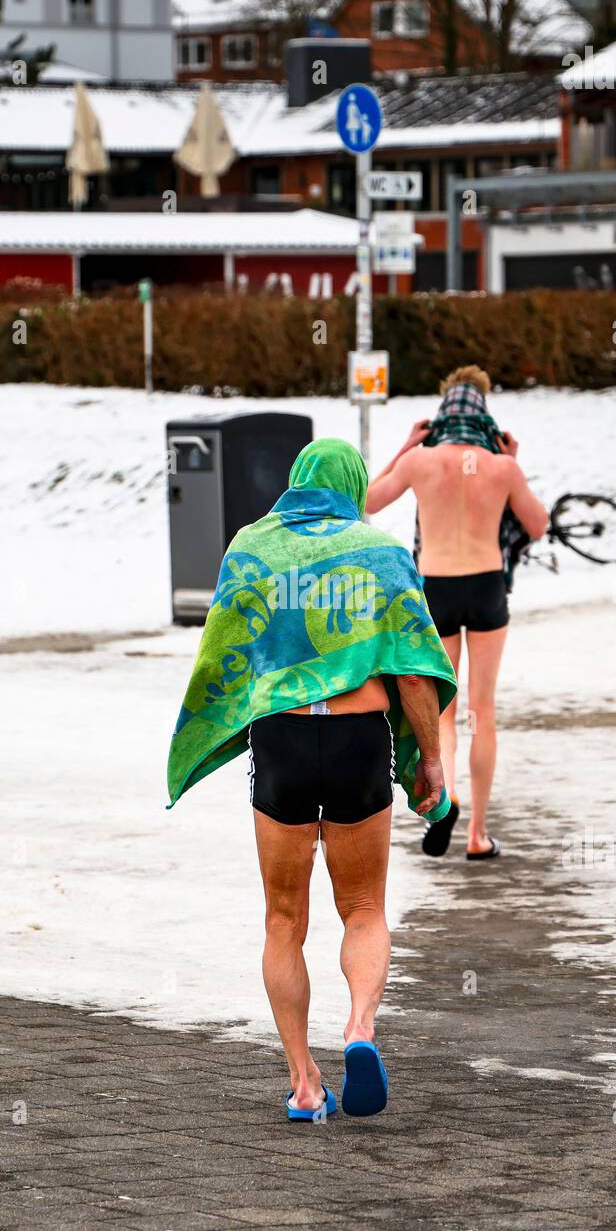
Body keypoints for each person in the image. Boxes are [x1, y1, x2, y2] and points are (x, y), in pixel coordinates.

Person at [167, 438, 456, 1121]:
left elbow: (226, 649)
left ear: (296, 481)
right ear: (353, 485)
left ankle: (303, 1083)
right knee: (362, 910)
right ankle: (359, 1026)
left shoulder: (253, 547)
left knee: (282, 920)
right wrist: (431, 760)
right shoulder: (380, 553)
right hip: (358, 738)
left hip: (284, 741)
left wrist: (212, 728)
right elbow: (414, 667)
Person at [365, 367, 547, 862]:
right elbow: (537, 523)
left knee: (443, 709)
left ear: (443, 409)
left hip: (436, 589)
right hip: (486, 586)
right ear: (484, 411)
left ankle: (444, 803)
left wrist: (405, 447)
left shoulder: (421, 461)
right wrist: (511, 464)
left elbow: (368, 502)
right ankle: (478, 835)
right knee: (481, 711)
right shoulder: (499, 466)